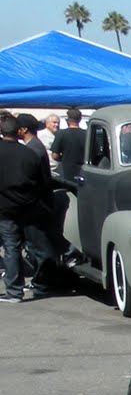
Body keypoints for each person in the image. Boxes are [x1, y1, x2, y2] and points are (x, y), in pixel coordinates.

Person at [0, 113, 58, 302]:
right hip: (27, 207)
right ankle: (32, 286)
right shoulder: (28, 153)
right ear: (18, 131)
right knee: (29, 247)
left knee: (11, 249)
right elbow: (41, 182)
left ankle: (14, 290)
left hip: (4, 209)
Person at [50, 108, 87, 184]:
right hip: (84, 170)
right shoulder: (86, 134)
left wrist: (63, 158)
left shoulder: (61, 134)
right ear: (80, 119)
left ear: (68, 120)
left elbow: (55, 156)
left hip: (67, 171)